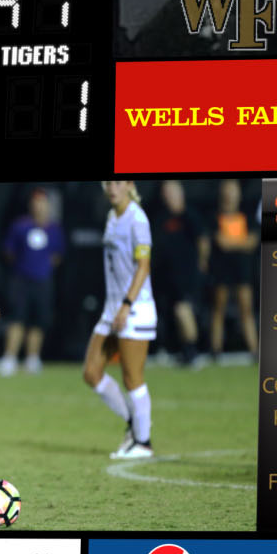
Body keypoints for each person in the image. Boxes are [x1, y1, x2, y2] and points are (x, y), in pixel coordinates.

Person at [82, 180, 156, 459]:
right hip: (111, 309)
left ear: (129, 185)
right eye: (108, 183)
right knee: (92, 373)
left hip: (134, 308)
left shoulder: (138, 219)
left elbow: (144, 267)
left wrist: (126, 305)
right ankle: (135, 424)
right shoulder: (112, 217)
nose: (111, 188)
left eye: (117, 182)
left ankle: (143, 443)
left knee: (132, 378)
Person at [0, 187, 65, 375]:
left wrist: (43, 267)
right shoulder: (20, 226)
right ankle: (9, 358)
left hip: (43, 281)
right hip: (21, 280)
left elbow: (58, 255)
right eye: (36, 202)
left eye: (42, 202)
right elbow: (9, 252)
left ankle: (32, 358)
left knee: (38, 321)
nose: (39, 206)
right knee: (17, 318)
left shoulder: (54, 229)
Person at [151, 179, 209, 366]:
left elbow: (202, 241)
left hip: (187, 274)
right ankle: (184, 350)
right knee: (175, 312)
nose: (169, 196)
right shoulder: (162, 218)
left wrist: (202, 263)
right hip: (168, 275)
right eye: (166, 193)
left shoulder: (190, 216)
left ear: (180, 193)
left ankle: (192, 351)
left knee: (183, 309)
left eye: (172, 192)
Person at [207, 177, 258, 361]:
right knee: (218, 309)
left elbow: (252, 242)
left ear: (239, 194)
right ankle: (216, 350)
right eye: (227, 190)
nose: (230, 194)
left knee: (246, 310)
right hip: (222, 270)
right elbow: (221, 242)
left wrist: (232, 243)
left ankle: (254, 350)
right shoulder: (215, 217)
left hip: (242, 270)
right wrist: (240, 242)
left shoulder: (247, 216)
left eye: (233, 190)